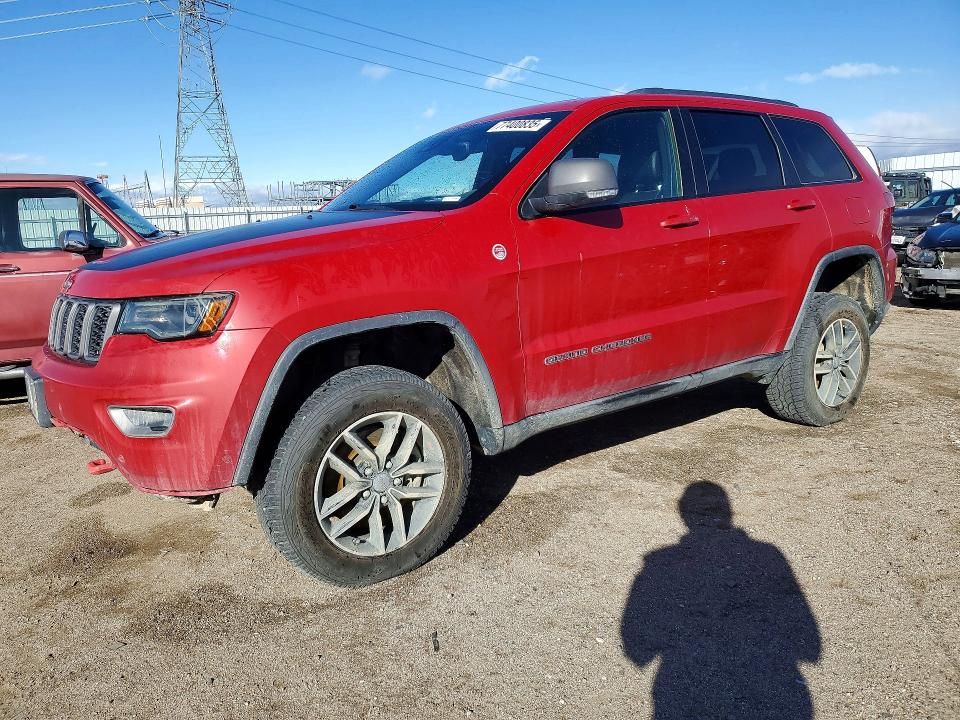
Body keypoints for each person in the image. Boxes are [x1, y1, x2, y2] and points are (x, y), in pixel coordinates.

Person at [621, 481, 821, 719]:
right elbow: (810, 646)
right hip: (769, 688)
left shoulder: (657, 566)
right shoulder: (768, 556)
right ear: (728, 512)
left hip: (684, 691)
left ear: (683, 513)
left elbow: (636, 647)